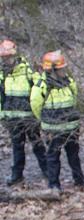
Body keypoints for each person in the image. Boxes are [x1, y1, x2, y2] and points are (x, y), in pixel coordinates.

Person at [31, 50, 84, 190]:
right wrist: (45, 121)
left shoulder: (69, 82)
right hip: (53, 129)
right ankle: (54, 184)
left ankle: (79, 180)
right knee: (53, 156)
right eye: (61, 69)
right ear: (52, 70)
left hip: (71, 127)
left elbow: (74, 99)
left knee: (74, 155)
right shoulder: (41, 86)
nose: (64, 71)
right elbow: (36, 105)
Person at [0, 39, 48, 186]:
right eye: (4, 57)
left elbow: (40, 89)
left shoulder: (27, 71)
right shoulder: (2, 75)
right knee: (17, 147)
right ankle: (17, 175)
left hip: (30, 118)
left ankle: (47, 171)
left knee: (38, 145)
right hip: (12, 119)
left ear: (15, 55)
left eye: (9, 57)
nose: (7, 60)